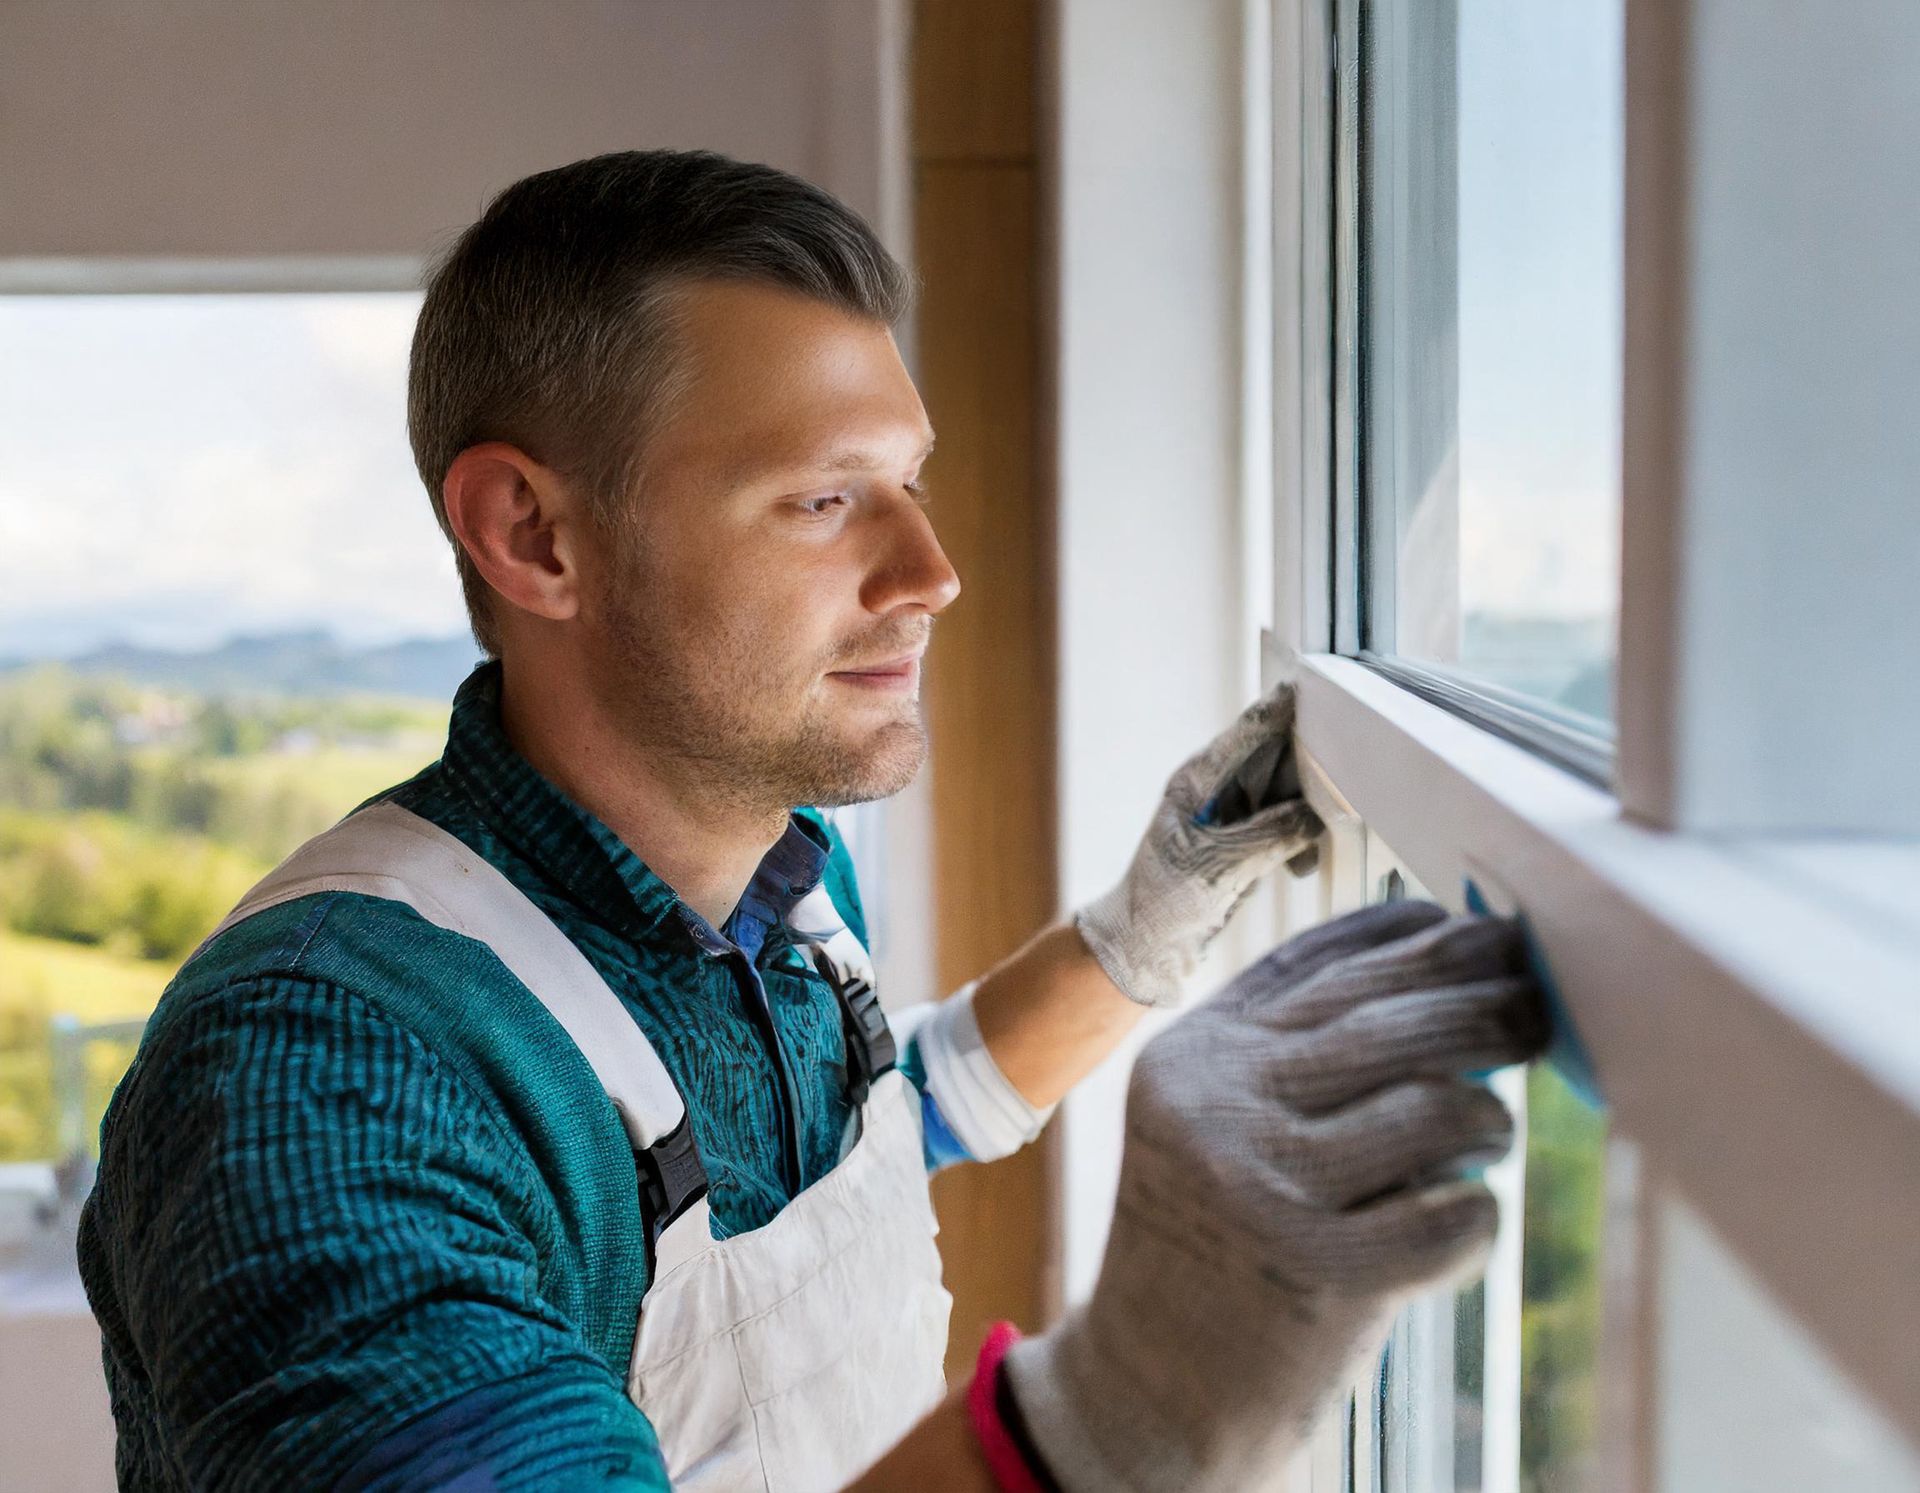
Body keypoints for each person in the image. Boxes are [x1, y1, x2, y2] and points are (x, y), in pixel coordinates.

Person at [77, 149, 1548, 1491]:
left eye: (906, 481)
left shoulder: (781, 881)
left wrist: (1138, 936)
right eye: (824, 498)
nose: (932, 569)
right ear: (533, 534)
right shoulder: (323, 1076)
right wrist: (1136, 1398)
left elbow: (888, 1124)